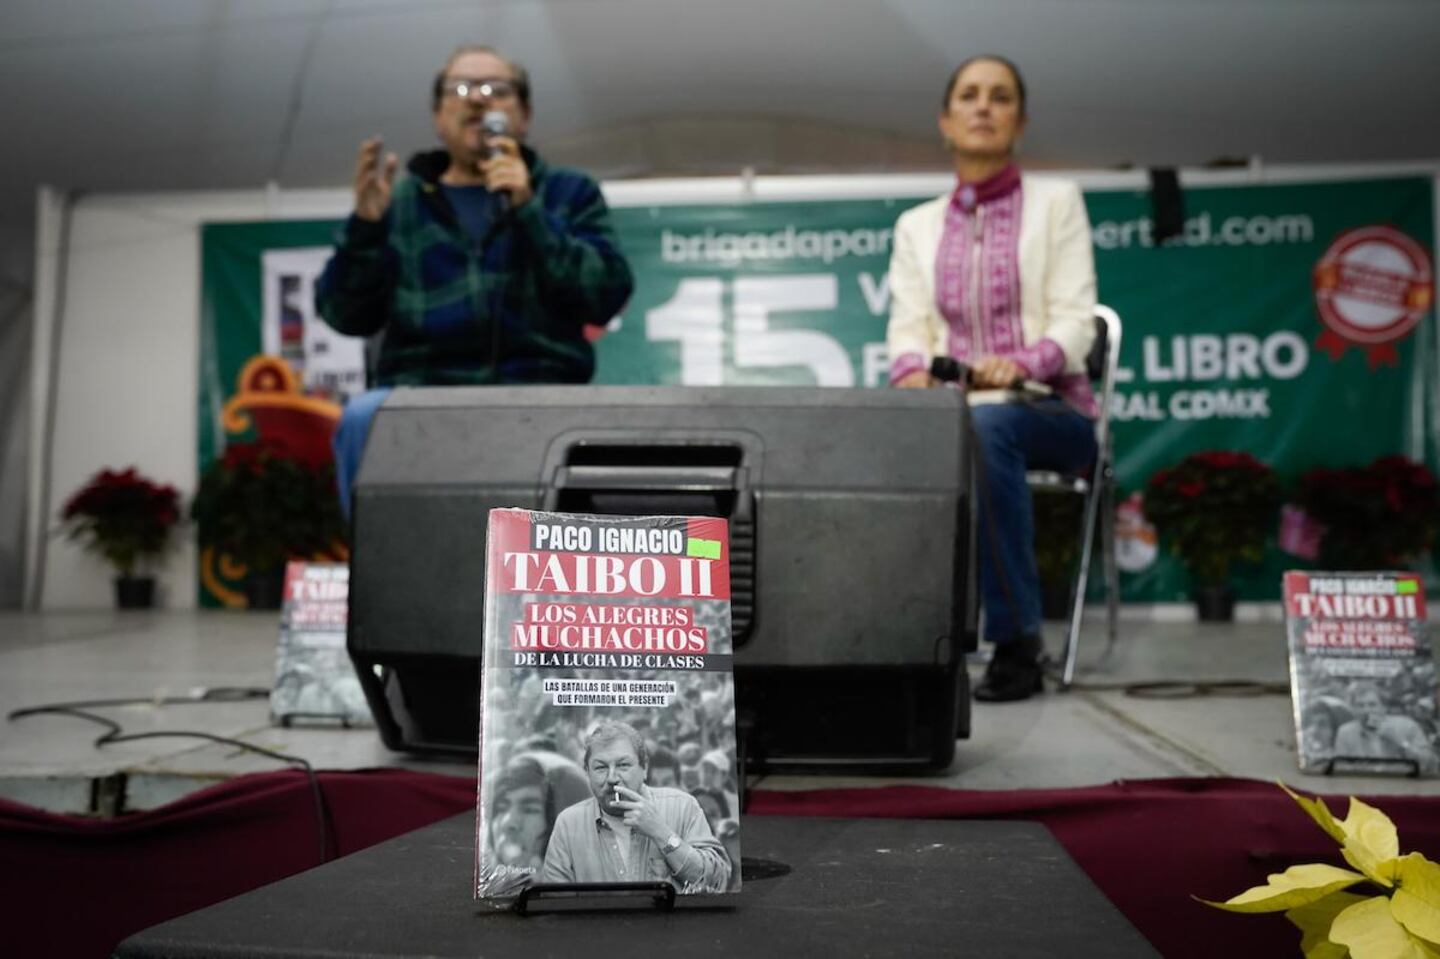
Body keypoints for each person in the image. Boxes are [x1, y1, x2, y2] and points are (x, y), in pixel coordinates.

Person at [316, 45, 634, 515]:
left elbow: (606, 294)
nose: (479, 99)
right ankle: (372, 558)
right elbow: (344, 315)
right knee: (363, 417)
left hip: (543, 392)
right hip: (422, 394)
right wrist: (364, 229)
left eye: (496, 90)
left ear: (524, 115)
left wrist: (529, 210)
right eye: (461, 89)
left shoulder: (567, 192)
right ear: (438, 116)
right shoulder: (400, 203)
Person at [886, 55, 1098, 703]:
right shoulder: (917, 225)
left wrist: (1024, 362)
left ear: (1019, 122)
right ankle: (904, 642)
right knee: (885, 432)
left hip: (1050, 410)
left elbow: (1077, 321)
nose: (984, 106)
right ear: (946, 121)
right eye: (970, 96)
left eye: (1000, 97)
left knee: (986, 425)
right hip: (954, 416)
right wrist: (912, 374)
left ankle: (1015, 643)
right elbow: (908, 328)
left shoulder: (1057, 204)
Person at [541, 719, 730, 892]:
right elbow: (554, 901)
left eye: (623, 765)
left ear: (644, 768)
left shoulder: (683, 807)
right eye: (601, 767)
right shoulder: (568, 823)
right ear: (587, 772)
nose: (612, 778)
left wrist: (661, 833)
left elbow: (717, 881)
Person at [1332, 682, 1439, 774]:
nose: (1366, 710)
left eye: (1372, 704)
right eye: (1360, 705)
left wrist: (1401, 742)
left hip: (1402, 784)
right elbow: (1341, 768)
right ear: (1353, 710)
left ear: (1383, 707)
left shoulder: (1407, 726)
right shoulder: (1345, 732)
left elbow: (1431, 764)